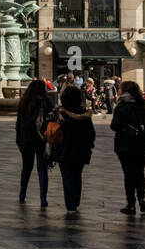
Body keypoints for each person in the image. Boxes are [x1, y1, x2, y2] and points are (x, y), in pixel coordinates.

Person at [110, 79, 145, 214]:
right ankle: (141, 198)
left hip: (124, 146)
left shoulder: (121, 106)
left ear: (124, 92)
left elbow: (114, 126)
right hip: (143, 146)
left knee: (129, 174)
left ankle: (131, 204)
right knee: (139, 172)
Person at [54, 84, 96, 217]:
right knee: (77, 176)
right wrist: (89, 146)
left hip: (64, 150)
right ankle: (75, 202)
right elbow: (91, 134)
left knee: (67, 177)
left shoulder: (60, 114)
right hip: (81, 150)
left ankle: (70, 205)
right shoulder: (85, 114)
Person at [15, 79, 50, 208]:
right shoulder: (46, 102)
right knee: (42, 170)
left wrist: (19, 140)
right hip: (42, 140)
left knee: (26, 169)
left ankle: (22, 194)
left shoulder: (24, 103)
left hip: (27, 140)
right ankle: (43, 199)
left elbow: (18, 124)